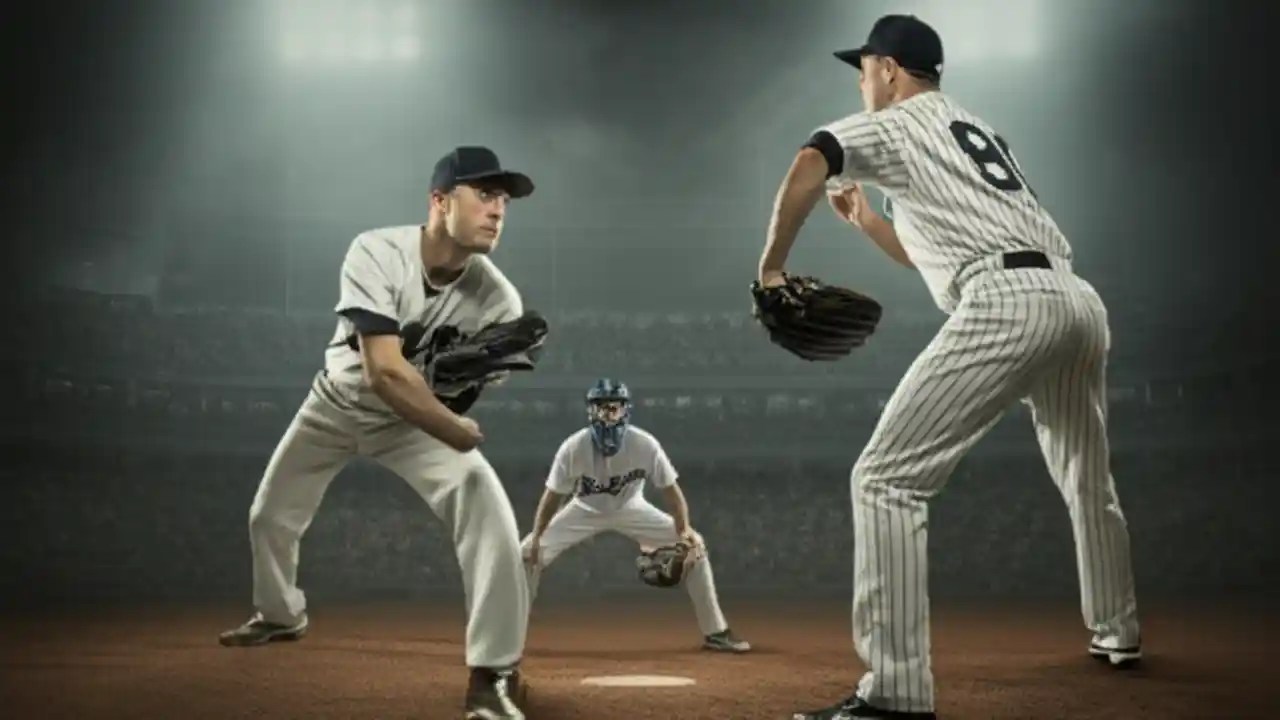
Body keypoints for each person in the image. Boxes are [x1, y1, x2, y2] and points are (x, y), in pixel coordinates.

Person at [756, 15, 1142, 719]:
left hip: (1010, 302)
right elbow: (936, 253)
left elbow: (810, 158)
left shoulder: (899, 125)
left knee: (886, 478)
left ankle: (897, 696)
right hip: (1075, 302)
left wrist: (772, 266)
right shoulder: (977, 130)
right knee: (1088, 478)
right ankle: (1119, 631)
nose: (861, 79)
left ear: (893, 70)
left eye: (865, 67)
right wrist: (869, 222)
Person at [218, 146, 540, 720]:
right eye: (484, 194)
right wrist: (456, 428)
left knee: (486, 505)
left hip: (408, 424)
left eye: (504, 199)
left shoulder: (500, 301)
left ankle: (495, 671)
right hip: (334, 405)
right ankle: (281, 614)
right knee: (269, 515)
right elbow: (384, 372)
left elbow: (444, 394)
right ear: (440, 201)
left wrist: (454, 390)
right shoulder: (377, 250)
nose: (499, 210)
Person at [521, 378, 751, 653]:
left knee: (696, 548)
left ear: (625, 411)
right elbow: (552, 498)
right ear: (590, 412)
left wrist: (684, 529)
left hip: (631, 507)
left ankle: (716, 632)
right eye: (600, 407)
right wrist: (537, 535)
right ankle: (510, 633)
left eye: (613, 407)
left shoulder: (644, 444)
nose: (607, 414)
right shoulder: (574, 447)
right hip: (584, 509)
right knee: (525, 554)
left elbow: (671, 491)